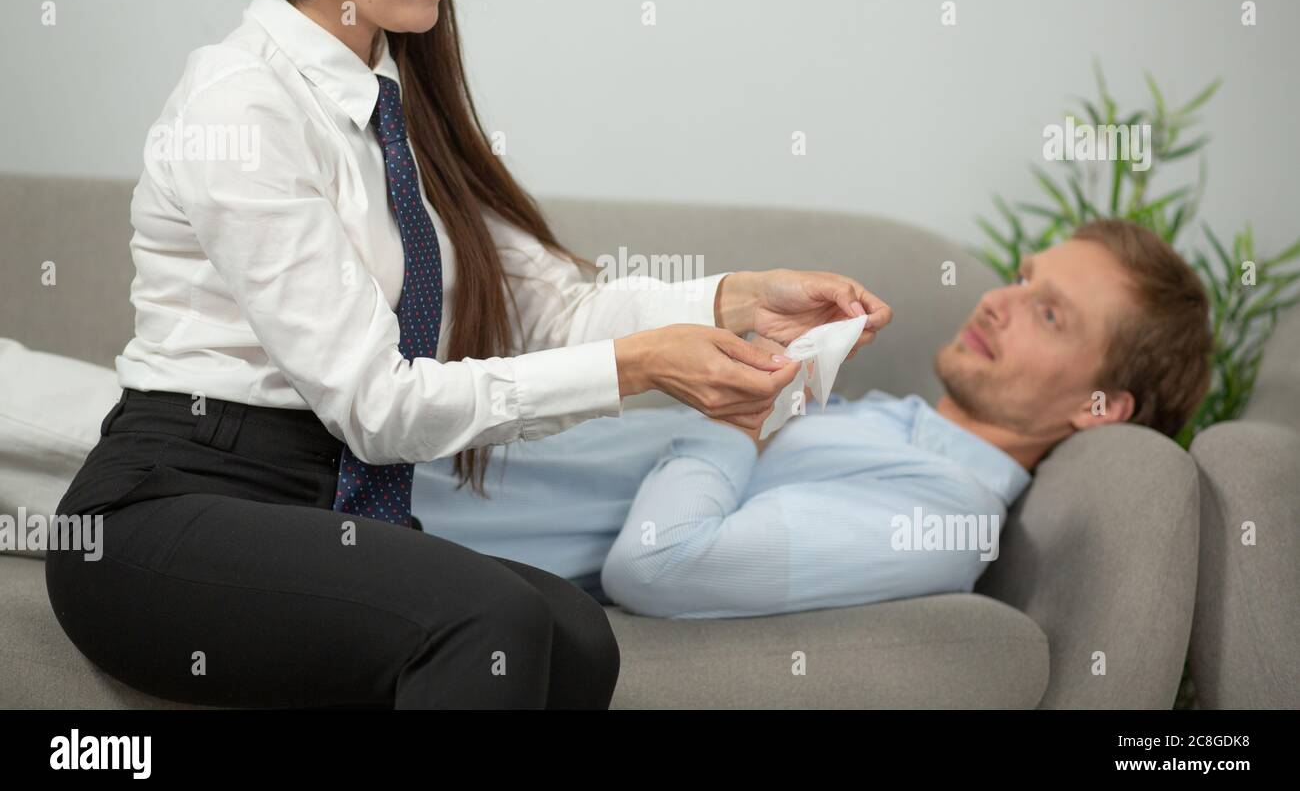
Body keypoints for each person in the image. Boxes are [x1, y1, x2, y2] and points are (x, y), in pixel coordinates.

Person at [44, 0, 890, 709]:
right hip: (170, 509)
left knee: (576, 636)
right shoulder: (240, 105)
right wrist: (641, 366)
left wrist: (741, 299)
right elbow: (379, 407)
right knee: (487, 620)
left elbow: (557, 308)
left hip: (317, 509)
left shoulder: (395, 106)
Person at [410, 219, 1213, 617]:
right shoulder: (885, 418)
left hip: (411, 526)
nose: (1000, 302)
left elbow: (658, 565)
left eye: (1050, 315)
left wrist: (738, 414)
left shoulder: (949, 513)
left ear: (1098, 408)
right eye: (1023, 278)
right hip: (414, 455)